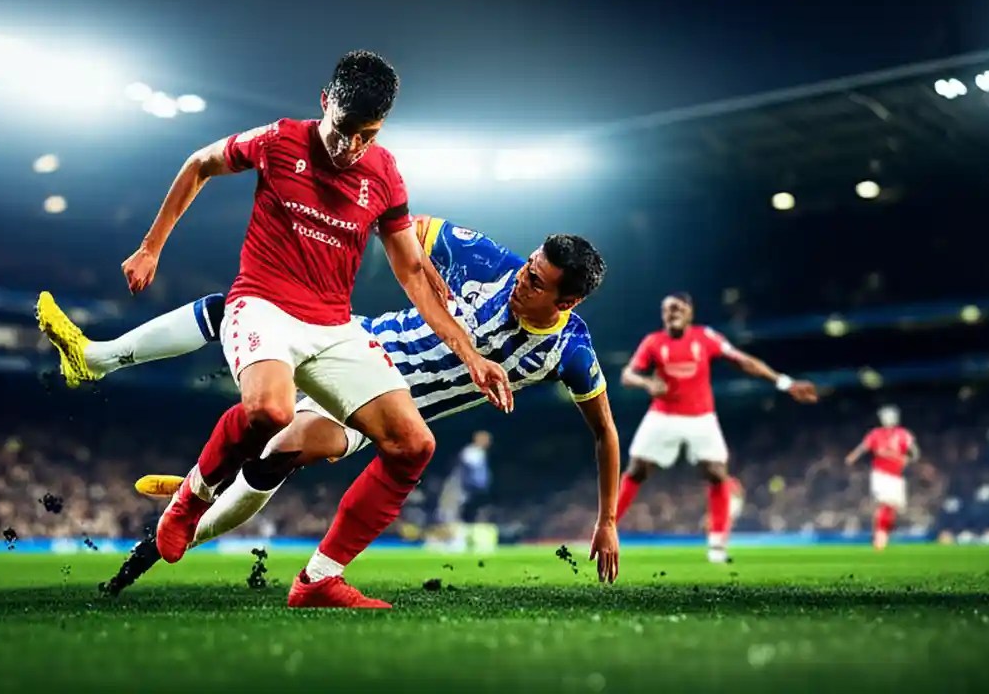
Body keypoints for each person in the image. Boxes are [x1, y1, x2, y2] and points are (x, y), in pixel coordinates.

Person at [39, 51, 511, 608]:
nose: (351, 146)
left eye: (367, 135)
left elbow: (412, 271)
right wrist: (151, 245)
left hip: (335, 325)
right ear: (323, 103)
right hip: (263, 305)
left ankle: (318, 580)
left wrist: (471, 356)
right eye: (343, 130)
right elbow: (200, 164)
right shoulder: (279, 140)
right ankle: (190, 500)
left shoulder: (383, 173)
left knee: (413, 445)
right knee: (271, 413)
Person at [50, 216, 621, 597]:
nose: (522, 279)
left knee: (284, 450)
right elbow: (401, 229)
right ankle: (98, 356)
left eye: (537, 282)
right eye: (528, 266)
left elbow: (605, 434)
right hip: (350, 345)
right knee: (240, 307)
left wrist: (608, 520)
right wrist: (422, 271)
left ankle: (167, 537)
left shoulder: (569, 353)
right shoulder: (486, 260)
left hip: (381, 413)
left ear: (566, 300)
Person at [617, 293, 818, 563]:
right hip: (662, 415)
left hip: (701, 417)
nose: (672, 312)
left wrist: (785, 382)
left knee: (716, 473)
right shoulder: (653, 342)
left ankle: (717, 546)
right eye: (667, 309)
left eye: (678, 307)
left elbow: (743, 361)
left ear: (690, 312)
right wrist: (646, 384)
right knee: (636, 470)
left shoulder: (705, 337)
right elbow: (628, 374)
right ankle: (605, 528)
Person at [845, 404, 919, 550]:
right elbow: (864, 447)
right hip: (880, 474)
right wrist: (852, 456)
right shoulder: (876, 434)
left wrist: (908, 459)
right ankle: (879, 536)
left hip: (896, 477)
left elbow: (915, 452)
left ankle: (883, 534)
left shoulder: (903, 434)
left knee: (892, 508)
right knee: (883, 505)